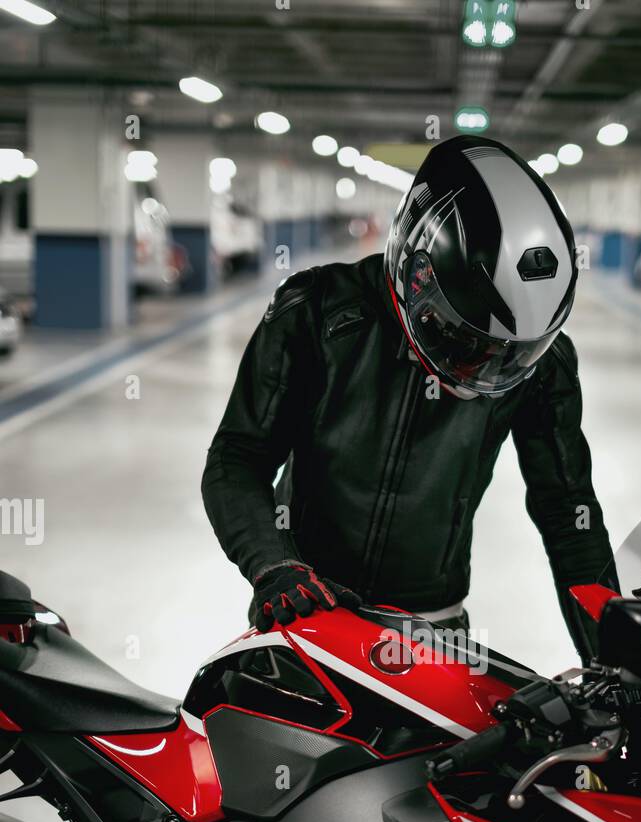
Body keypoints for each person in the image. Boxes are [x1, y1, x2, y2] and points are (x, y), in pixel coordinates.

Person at [202, 135, 616, 658]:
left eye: (509, 354)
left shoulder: (538, 363)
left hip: (433, 628)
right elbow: (237, 458)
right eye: (468, 342)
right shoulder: (315, 313)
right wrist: (275, 564)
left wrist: (614, 659)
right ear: (417, 270)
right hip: (307, 610)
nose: (482, 369)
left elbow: (568, 511)